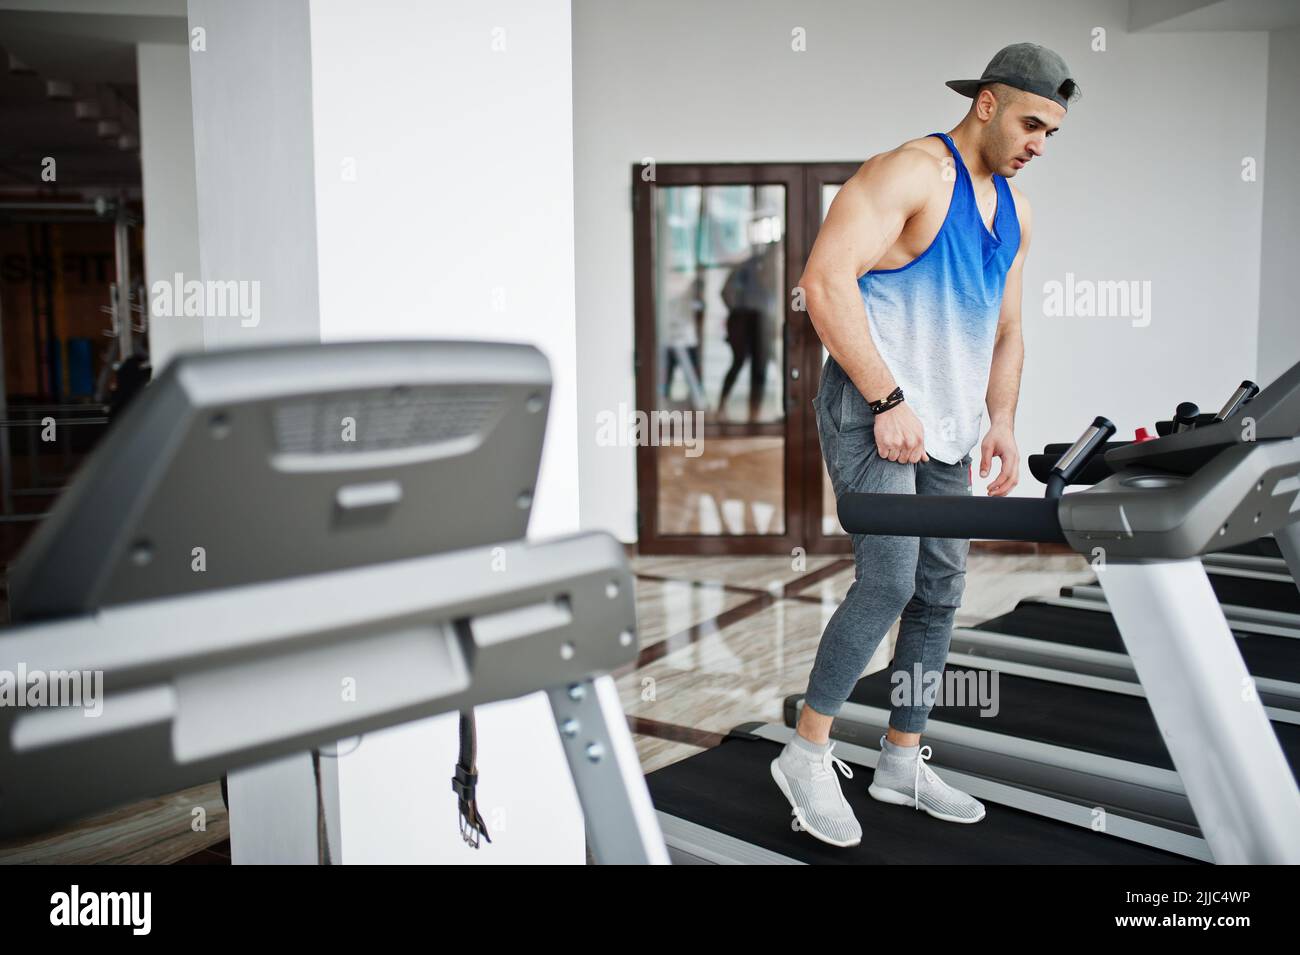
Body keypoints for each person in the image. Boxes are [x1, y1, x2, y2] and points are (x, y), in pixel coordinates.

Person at [770, 42, 1080, 847]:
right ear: (987, 102)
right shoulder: (908, 172)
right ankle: (806, 751)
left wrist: (1002, 420)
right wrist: (887, 396)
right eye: (1032, 123)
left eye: (1052, 132)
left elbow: (1010, 328)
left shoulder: (1016, 208)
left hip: (947, 423)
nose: (1039, 144)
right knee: (890, 581)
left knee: (941, 591)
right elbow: (824, 282)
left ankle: (901, 755)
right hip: (877, 411)